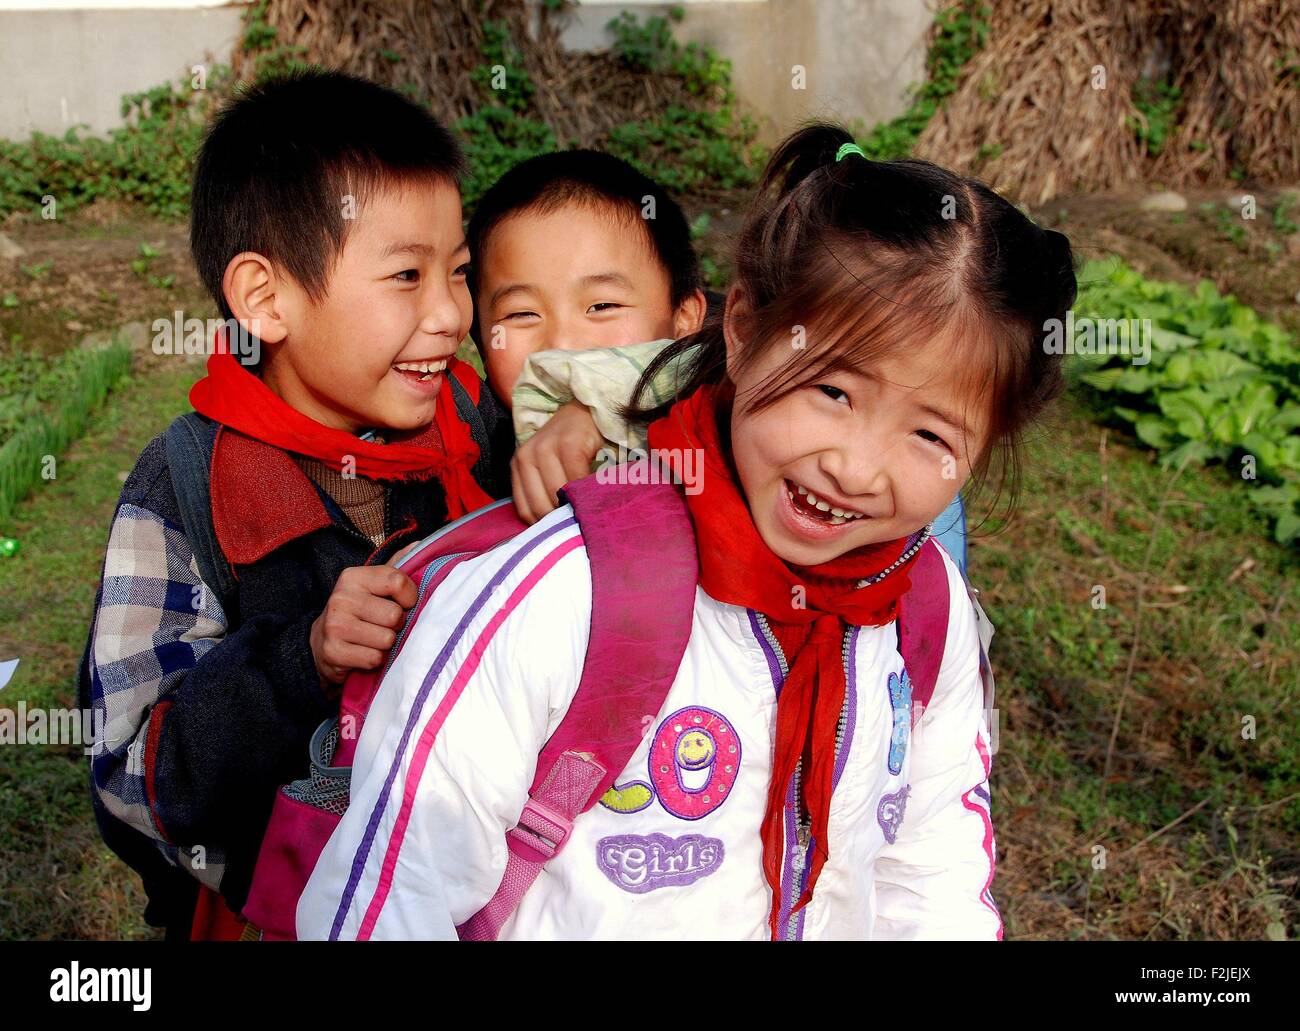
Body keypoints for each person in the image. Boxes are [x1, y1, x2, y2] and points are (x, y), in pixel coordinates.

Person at [299, 122, 1077, 940]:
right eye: (835, 393)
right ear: (741, 331)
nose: (856, 467)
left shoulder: (928, 609)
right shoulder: (573, 587)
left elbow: (931, 866)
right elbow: (395, 888)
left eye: (930, 436)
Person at [77, 71, 598, 939]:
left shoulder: (480, 425)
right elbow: (132, 782)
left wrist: (591, 416)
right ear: (265, 300)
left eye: (459, 272)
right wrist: (303, 660)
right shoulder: (184, 488)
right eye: (406, 276)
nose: (449, 314)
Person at [466, 148, 707, 522]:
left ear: (685, 319)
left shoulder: (721, 414)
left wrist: (595, 407)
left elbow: (707, 359)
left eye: (602, 306)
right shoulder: (462, 450)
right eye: (522, 314)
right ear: (479, 338)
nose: (563, 344)